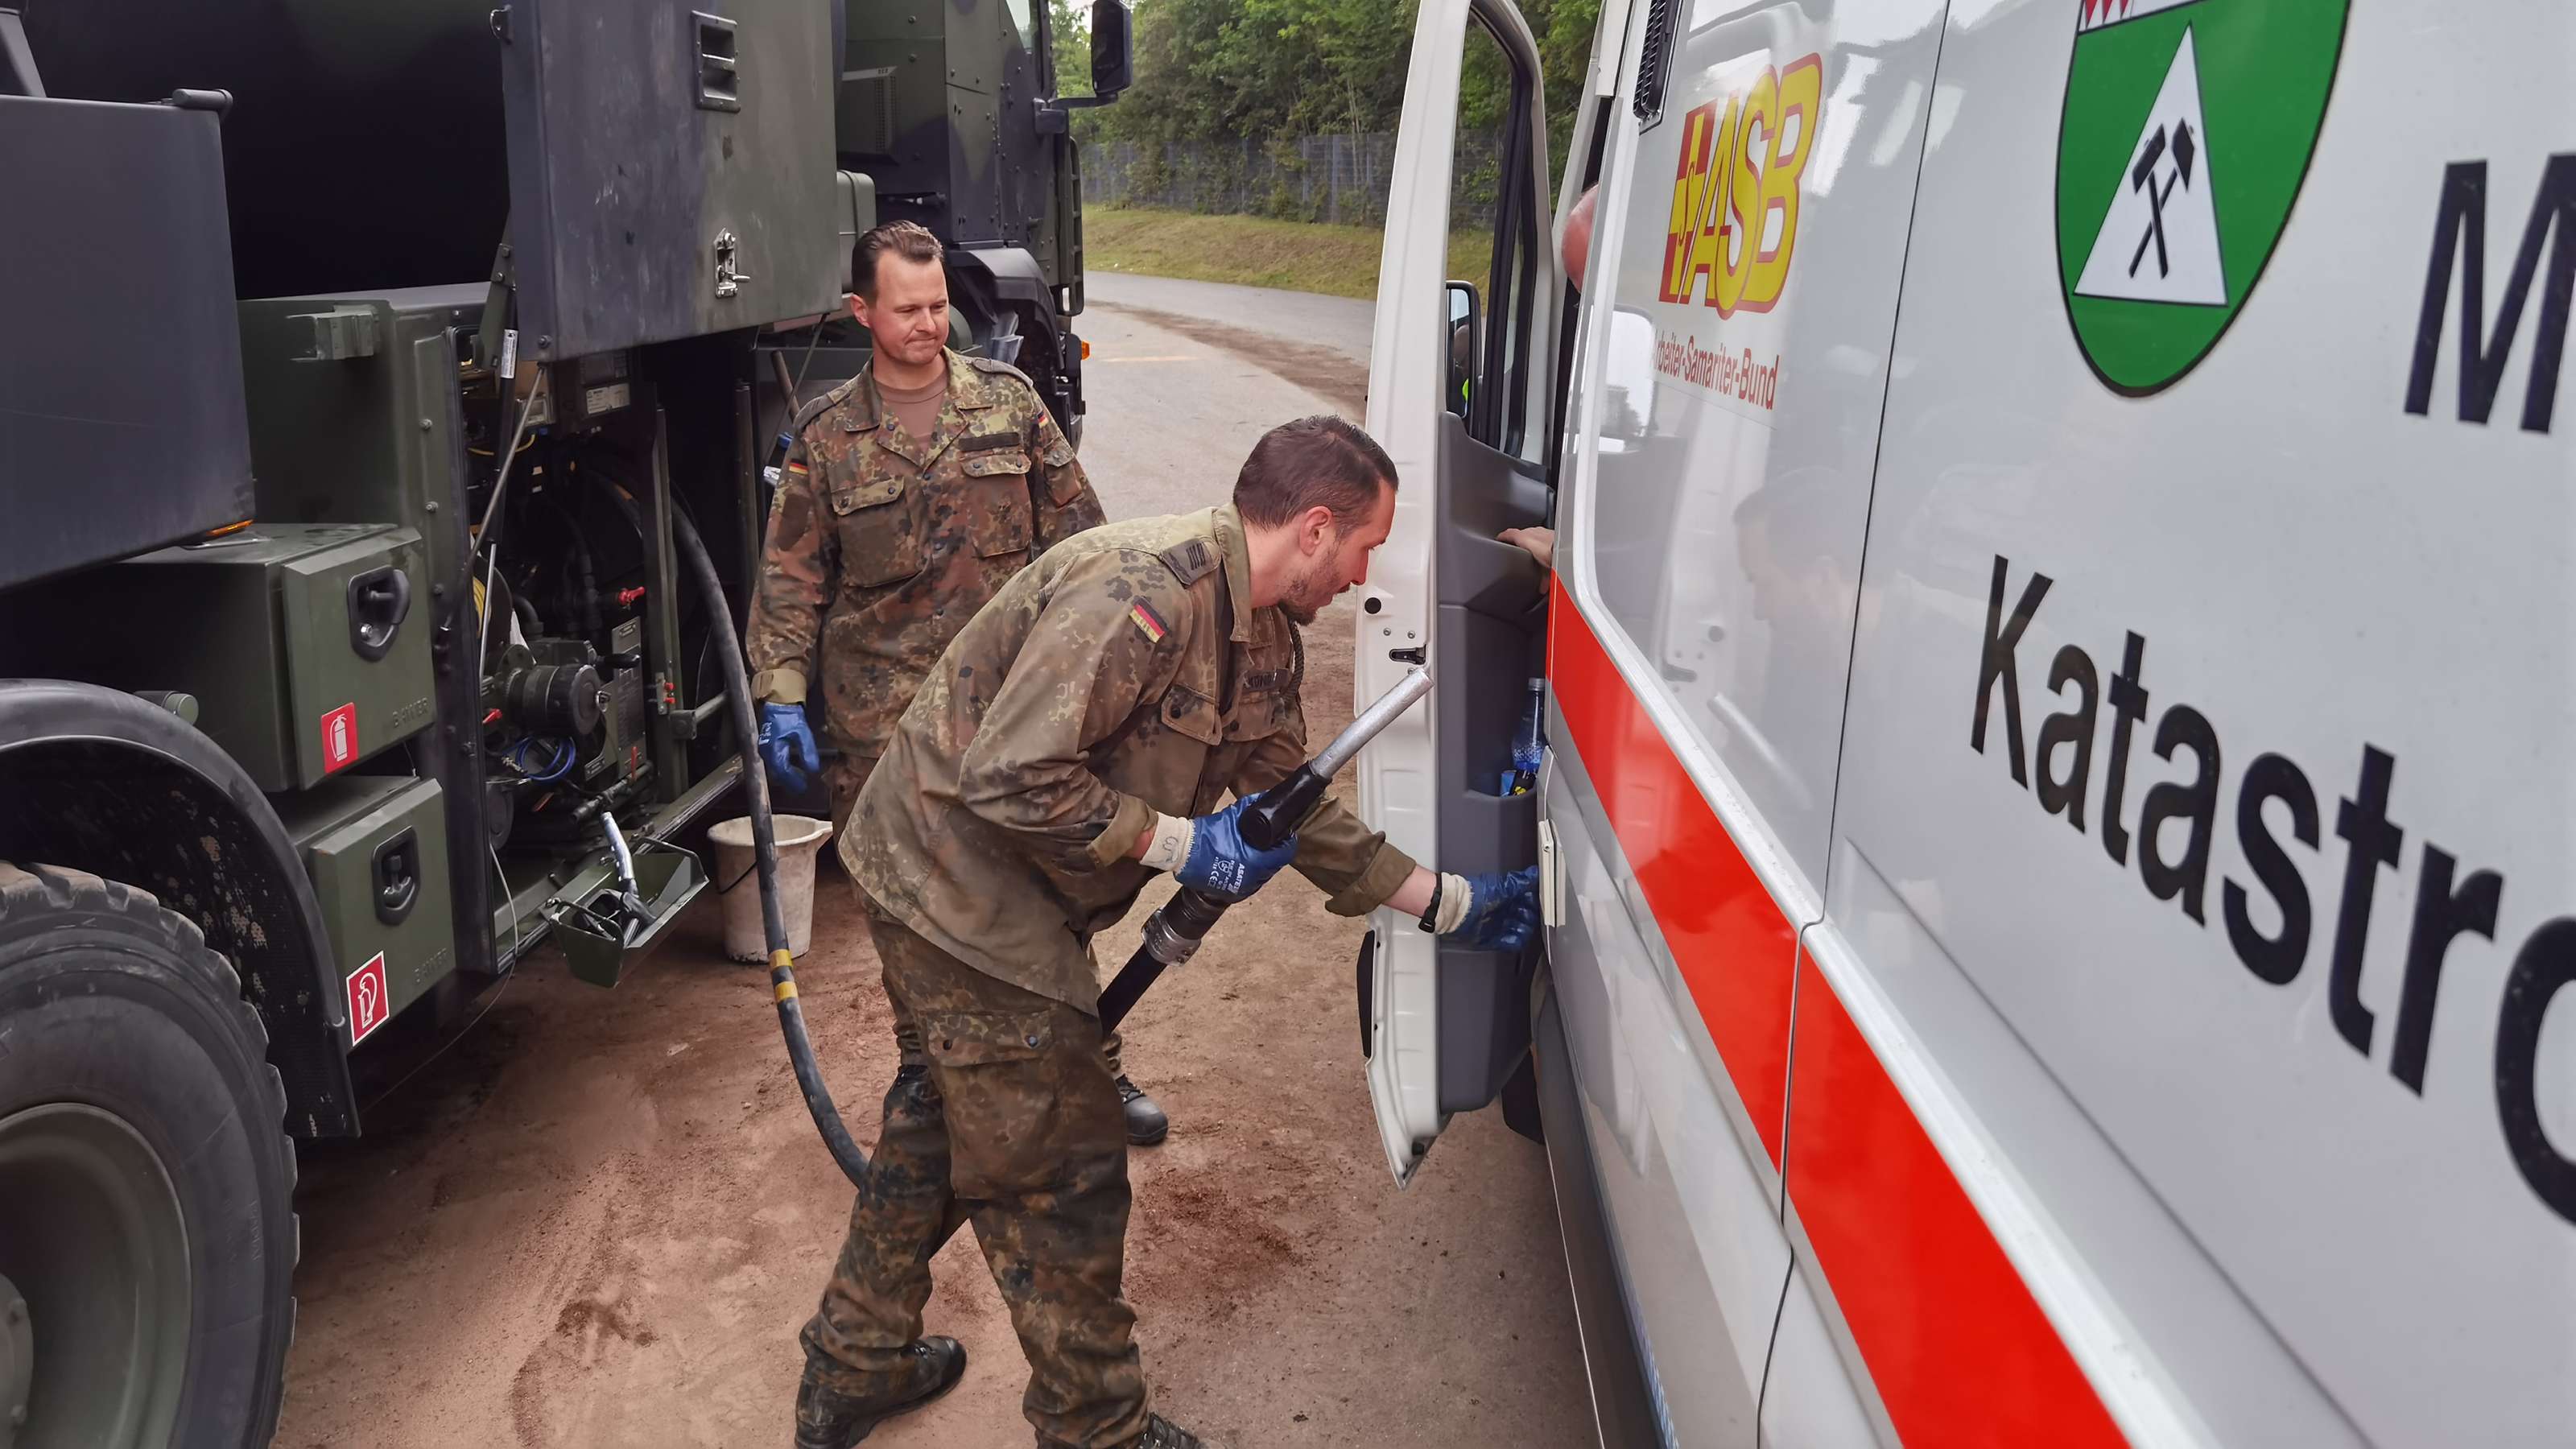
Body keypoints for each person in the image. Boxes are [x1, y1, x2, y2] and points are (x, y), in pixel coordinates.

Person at [791, 415, 1542, 1449]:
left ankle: (854, 1363)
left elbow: (1292, 798)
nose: (1367, 572)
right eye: (1368, 546)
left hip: (992, 883)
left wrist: (1447, 903)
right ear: (1315, 528)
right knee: (1061, 1161)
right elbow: (1008, 775)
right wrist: (1181, 847)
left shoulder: (1260, 625)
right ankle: (1096, 1428)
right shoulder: (1144, 592)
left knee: (941, 1119)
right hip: (949, 885)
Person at [744, 220, 1176, 1146]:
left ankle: (1087, 1066)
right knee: (906, 908)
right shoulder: (825, 438)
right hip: (883, 723)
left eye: (938, 305)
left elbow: (1083, 547)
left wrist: (1109, 676)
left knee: (1044, 893)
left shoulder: (1011, 407)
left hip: (1012, 716)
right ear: (863, 311)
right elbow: (790, 578)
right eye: (907, 309)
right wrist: (779, 692)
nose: (928, 325)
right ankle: (927, 1081)